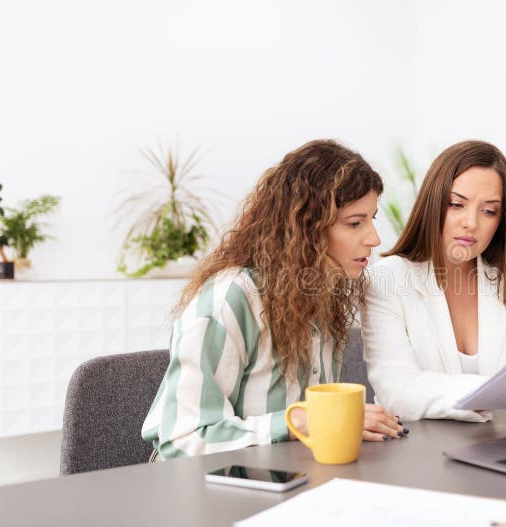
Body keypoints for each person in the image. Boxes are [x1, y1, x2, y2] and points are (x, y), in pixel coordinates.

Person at [142, 140, 403, 461]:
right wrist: (300, 421)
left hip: (288, 479)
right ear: (306, 226)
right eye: (354, 223)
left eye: (372, 219)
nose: (374, 239)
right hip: (205, 491)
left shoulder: (324, 293)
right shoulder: (230, 299)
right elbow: (182, 441)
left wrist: (335, 424)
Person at [361, 140, 506, 423]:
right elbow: (397, 392)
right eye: (457, 204)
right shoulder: (387, 278)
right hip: (417, 455)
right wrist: (500, 388)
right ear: (433, 204)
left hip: (501, 449)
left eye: (489, 211)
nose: (471, 222)